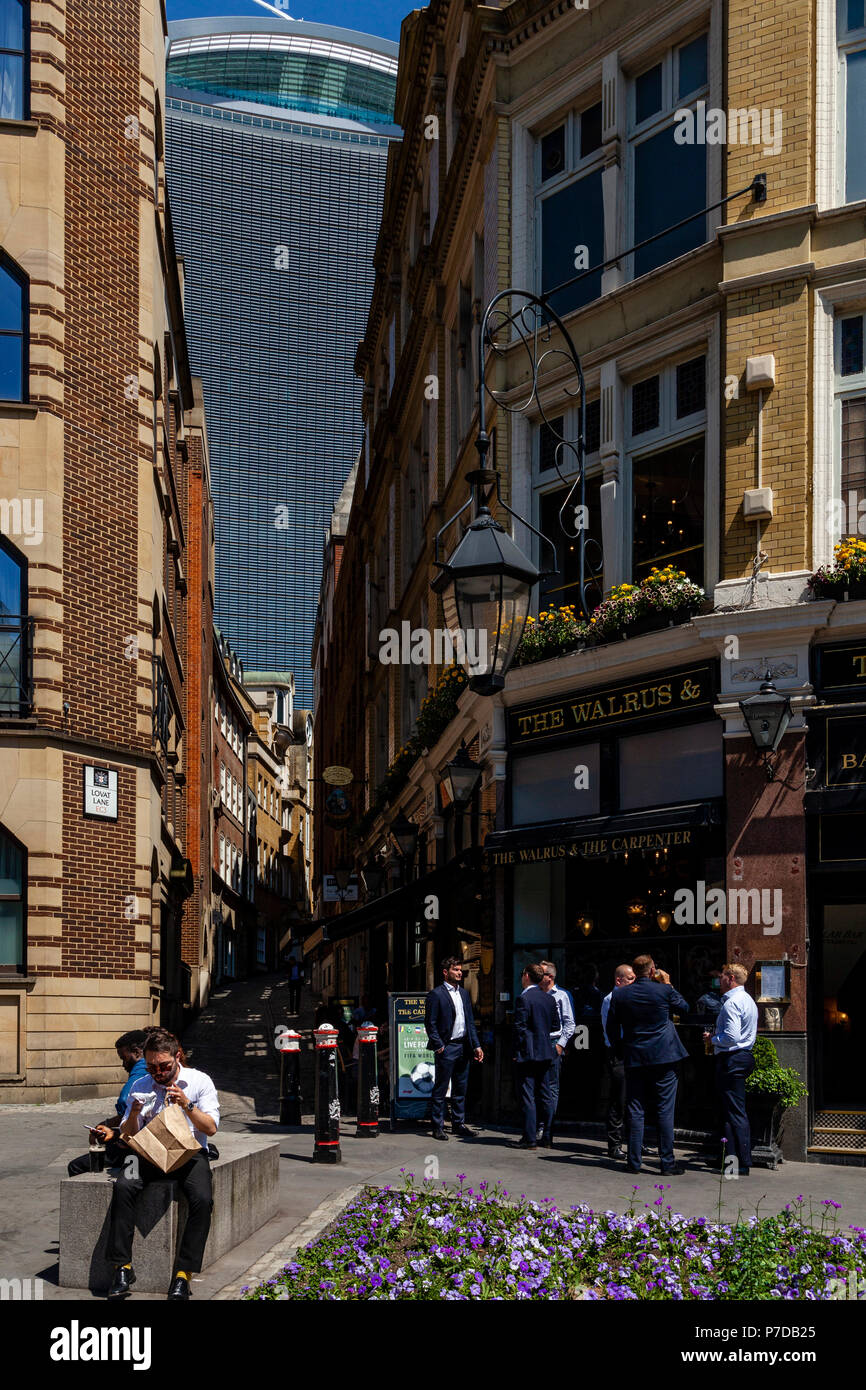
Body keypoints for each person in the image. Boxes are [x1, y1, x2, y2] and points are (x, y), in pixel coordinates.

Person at [105, 1028, 220, 1301]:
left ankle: (183, 1274)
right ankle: (122, 1267)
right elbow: (129, 1135)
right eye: (152, 1067)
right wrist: (133, 1114)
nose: (158, 1072)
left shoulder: (199, 1081)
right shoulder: (140, 1085)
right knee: (124, 1185)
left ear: (177, 1057)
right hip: (146, 1153)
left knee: (202, 1199)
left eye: (164, 1066)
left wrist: (187, 1105)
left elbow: (212, 1128)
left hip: (190, 1153)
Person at [605, 954, 690, 1175]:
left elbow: (611, 1028)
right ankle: (667, 1163)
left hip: (635, 1057)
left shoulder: (620, 994)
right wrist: (669, 984)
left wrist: (621, 1048)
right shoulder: (663, 990)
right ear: (652, 971)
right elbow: (685, 1008)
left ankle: (633, 1163)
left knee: (635, 1109)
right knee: (664, 1109)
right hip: (664, 1056)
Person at [67, 1030, 150, 1176]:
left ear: (137, 1053)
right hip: (141, 1139)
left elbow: (126, 1103)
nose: (123, 1064)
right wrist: (107, 1125)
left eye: (124, 1058)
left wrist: (108, 1125)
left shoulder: (141, 1072)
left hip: (137, 1147)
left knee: (76, 1166)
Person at [704, 962, 758, 1176]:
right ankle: (729, 1160)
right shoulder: (747, 1000)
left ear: (731, 978)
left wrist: (713, 1039)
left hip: (732, 1058)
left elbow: (732, 1037)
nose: (720, 980)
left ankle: (741, 1163)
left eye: (723, 976)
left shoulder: (731, 1003)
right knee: (729, 1110)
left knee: (734, 1112)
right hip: (742, 1057)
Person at [424, 957, 483, 1140]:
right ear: (445, 972)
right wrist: (439, 1045)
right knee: (441, 1087)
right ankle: (437, 1126)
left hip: (463, 1046)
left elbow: (470, 1022)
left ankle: (458, 1124)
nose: (459, 973)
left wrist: (476, 1045)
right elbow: (430, 1023)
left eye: (460, 970)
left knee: (460, 1088)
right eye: (456, 970)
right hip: (447, 1047)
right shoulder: (436, 994)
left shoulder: (464, 994)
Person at [511, 962, 560, 1150]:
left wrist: (517, 1052)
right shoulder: (548, 999)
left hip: (528, 1053)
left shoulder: (524, 999)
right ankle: (547, 1136)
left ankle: (530, 1138)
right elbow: (556, 1026)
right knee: (545, 1094)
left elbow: (520, 1029)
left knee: (527, 1095)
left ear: (526, 976)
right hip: (546, 1051)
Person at [600, 964, 635, 1160]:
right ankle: (614, 1143)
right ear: (618, 980)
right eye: (629, 979)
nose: (633, 982)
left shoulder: (631, 998)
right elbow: (611, 1030)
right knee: (618, 1099)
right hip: (617, 1051)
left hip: (631, 1051)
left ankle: (635, 1142)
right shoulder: (610, 999)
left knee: (634, 1100)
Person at [538, 960, 575, 1146]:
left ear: (550, 977)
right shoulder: (534, 993)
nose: (537, 976)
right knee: (537, 1086)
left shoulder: (562, 996)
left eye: (541, 973)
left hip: (553, 1042)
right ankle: (538, 1125)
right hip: (536, 1044)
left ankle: (548, 1129)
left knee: (551, 1087)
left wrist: (560, 1045)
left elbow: (570, 1023)